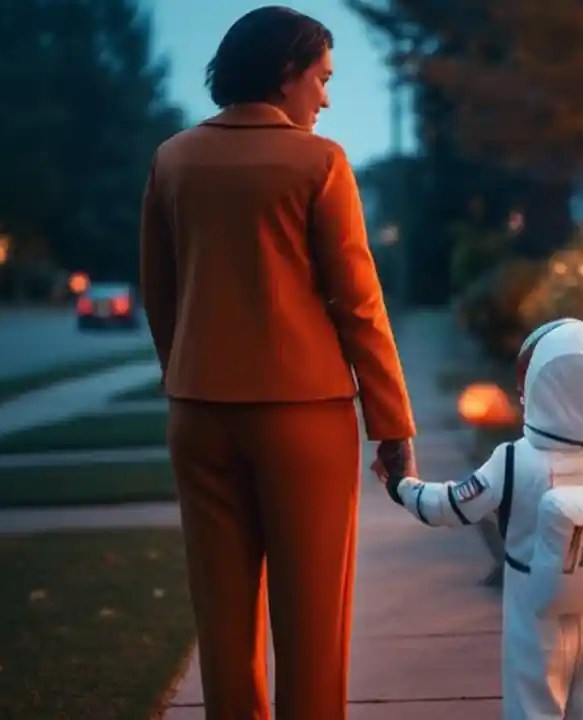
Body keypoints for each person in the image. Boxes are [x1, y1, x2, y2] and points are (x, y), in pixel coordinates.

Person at [139, 6, 416, 719]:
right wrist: (392, 423)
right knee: (312, 623)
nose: (324, 98)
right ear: (286, 73)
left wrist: (189, 376)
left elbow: (160, 293)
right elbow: (358, 305)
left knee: (223, 624)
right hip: (304, 418)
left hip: (198, 417)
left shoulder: (173, 159)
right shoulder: (319, 162)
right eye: (321, 79)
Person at [373, 319, 583, 720]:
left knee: (532, 706)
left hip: (536, 611)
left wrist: (402, 486)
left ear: (539, 384)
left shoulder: (515, 460)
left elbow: (450, 505)